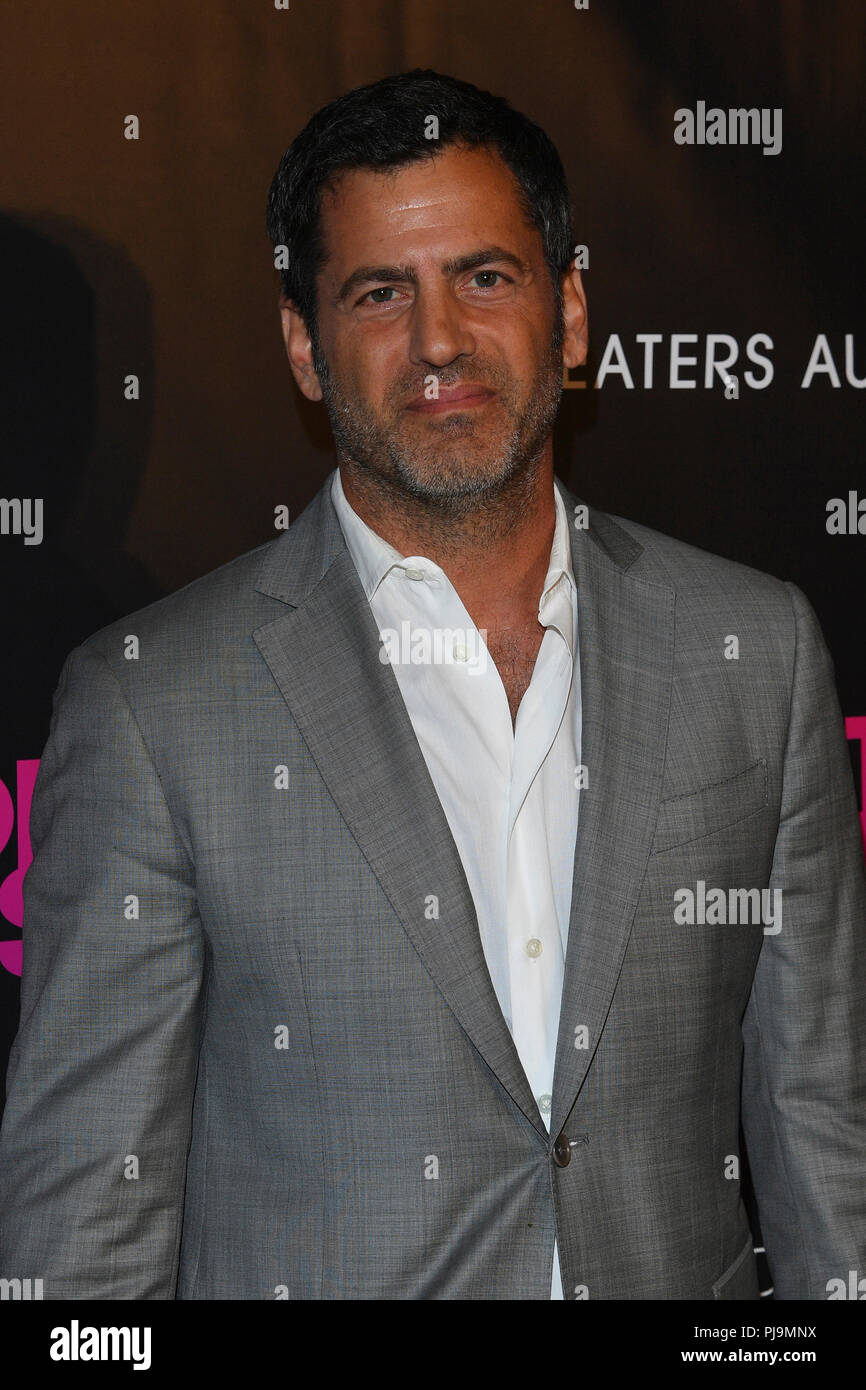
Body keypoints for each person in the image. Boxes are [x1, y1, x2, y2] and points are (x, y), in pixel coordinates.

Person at [1, 68, 864, 1300]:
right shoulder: (152, 707)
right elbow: (87, 1229)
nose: (440, 339)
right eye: (379, 292)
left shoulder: (752, 650)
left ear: (570, 310)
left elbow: (824, 1122)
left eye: (485, 276)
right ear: (303, 348)